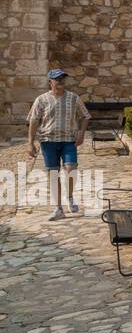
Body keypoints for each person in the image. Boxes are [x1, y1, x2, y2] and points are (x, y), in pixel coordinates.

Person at [26, 69, 90, 220]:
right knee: (53, 174)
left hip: (69, 140)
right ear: (50, 82)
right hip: (48, 142)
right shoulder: (41, 100)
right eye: (57, 78)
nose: (61, 80)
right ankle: (58, 208)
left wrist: (81, 133)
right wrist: (30, 143)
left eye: (62, 78)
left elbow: (86, 116)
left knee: (71, 169)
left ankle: (69, 196)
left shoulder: (74, 98)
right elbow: (33, 121)